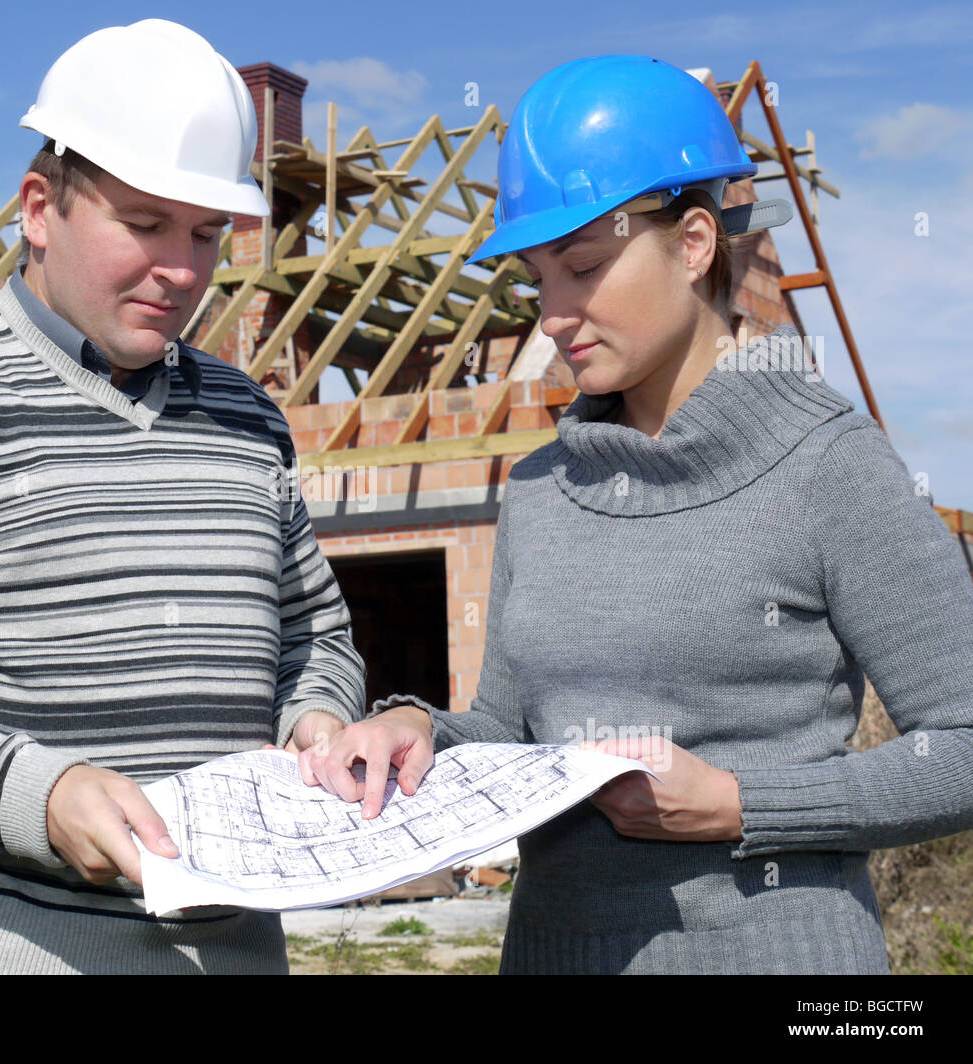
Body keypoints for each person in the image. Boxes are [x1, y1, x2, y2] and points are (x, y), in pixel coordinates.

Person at [297, 54, 973, 974]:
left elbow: (964, 747)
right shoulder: (543, 489)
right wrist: (416, 727)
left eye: (583, 268)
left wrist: (742, 805)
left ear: (695, 244)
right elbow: (510, 726)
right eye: (541, 278)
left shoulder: (830, 467)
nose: (556, 315)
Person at [0, 19, 364, 975]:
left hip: (233, 948)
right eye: (144, 224)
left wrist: (320, 722)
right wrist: (40, 795)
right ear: (41, 206)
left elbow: (312, 640)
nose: (182, 271)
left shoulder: (248, 416)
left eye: (208, 233)